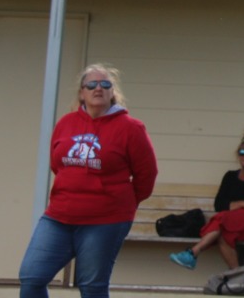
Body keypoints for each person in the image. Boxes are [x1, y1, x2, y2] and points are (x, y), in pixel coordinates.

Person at [19, 64, 158, 298]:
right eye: (91, 85)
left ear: (112, 92)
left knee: (91, 286)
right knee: (32, 276)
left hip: (105, 220)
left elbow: (147, 175)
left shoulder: (131, 128)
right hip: (58, 218)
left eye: (105, 84)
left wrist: (122, 202)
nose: (98, 89)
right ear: (82, 92)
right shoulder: (66, 123)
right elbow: (58, 164)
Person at [170, 131, 244, 269]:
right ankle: (238, 276)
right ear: (237, 154)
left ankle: (193, 253)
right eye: (242, 152)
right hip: (231, 222)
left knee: (222, 219)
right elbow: (219, 204)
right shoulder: (230, 176)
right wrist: (242, 204)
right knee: (222, 233)